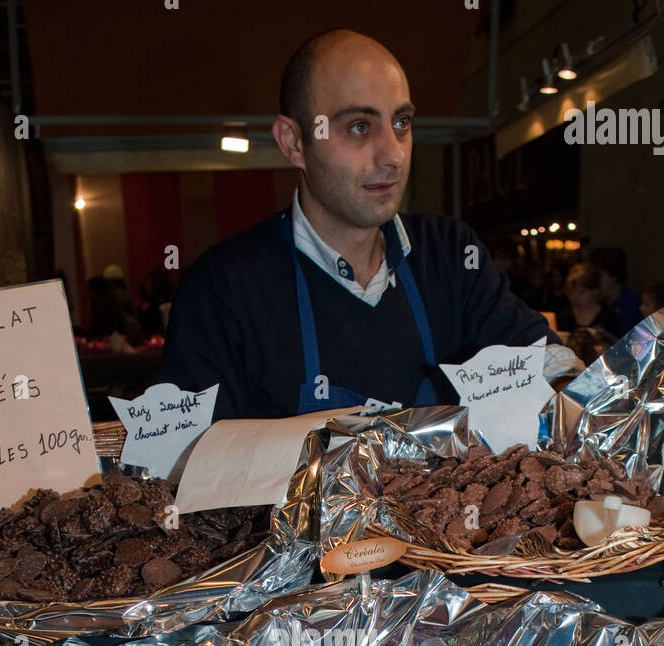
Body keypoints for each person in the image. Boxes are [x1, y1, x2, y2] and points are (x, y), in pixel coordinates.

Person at [160, 29, 582, 418]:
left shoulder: (451, 254)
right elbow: (195, 459)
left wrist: (572, 397)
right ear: (293, 142)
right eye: (359, 127)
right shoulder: (221, 290)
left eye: (401, 123)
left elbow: (546, 362)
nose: (393, 154)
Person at [557, 264, 624, 338]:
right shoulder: (563, 317)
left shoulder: (609, 318)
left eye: (582, 292)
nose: (575, 296)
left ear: (595, 291)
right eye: (572, 291)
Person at [589, 248, 641, 333]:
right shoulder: (597, 300)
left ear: (614, 276)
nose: (595, 281)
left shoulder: (632, 301)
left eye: (600, 276)